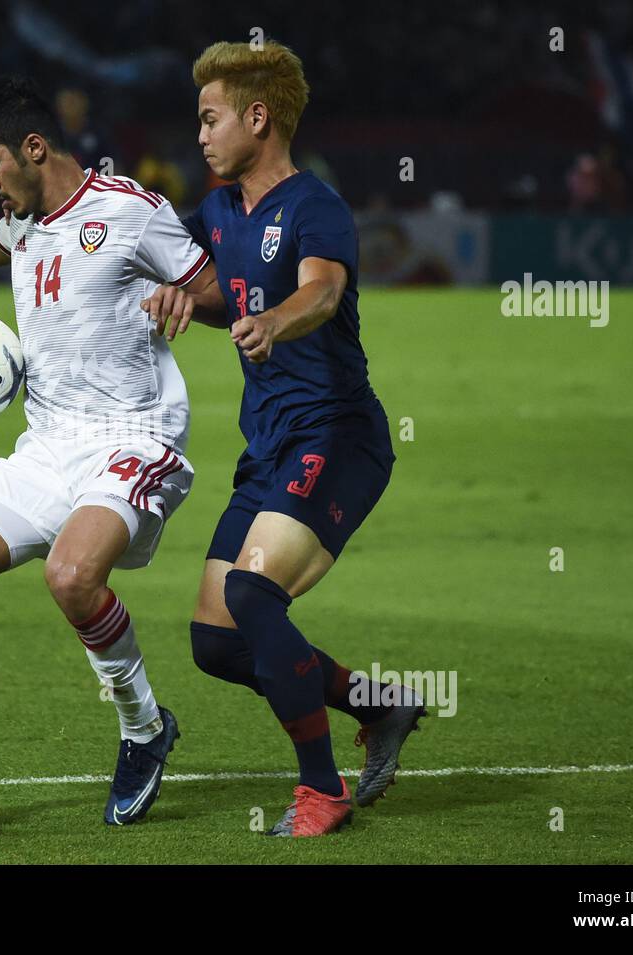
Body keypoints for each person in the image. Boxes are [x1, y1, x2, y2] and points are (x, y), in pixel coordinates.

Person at [0, 76, 222, 828]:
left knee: (71, 576)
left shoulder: (131, 213)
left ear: (35, 148)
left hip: (134, 437)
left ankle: (143, 727)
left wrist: (185, 297)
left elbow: (221, 289)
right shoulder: (24, 219)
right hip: (47, 444)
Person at [140, 40, 424, 838]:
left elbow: (323, 291)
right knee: (216, 642)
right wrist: (175, 295)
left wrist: (271, 319)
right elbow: (207, 285)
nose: (199, 135)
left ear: (257, 118)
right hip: (268, 446)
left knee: (253, 595)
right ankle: (382, 705)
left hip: (335, 435)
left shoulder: (314, 206)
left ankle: (321, 790)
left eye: (211, 117)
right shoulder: (221, 211)